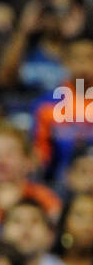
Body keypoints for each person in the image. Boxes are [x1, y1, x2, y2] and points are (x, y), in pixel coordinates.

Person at [0, 122, 61, 237]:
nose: (0, 159)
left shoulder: (43, 198)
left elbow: (56, 233)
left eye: (9, 153)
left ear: (27, 161)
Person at [34, 37, 93, 182]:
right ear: (66, 62)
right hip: (59, 179)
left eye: (89, 58)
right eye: (77, 58)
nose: (83, 64)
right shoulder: (47, 104)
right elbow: (40, 154)